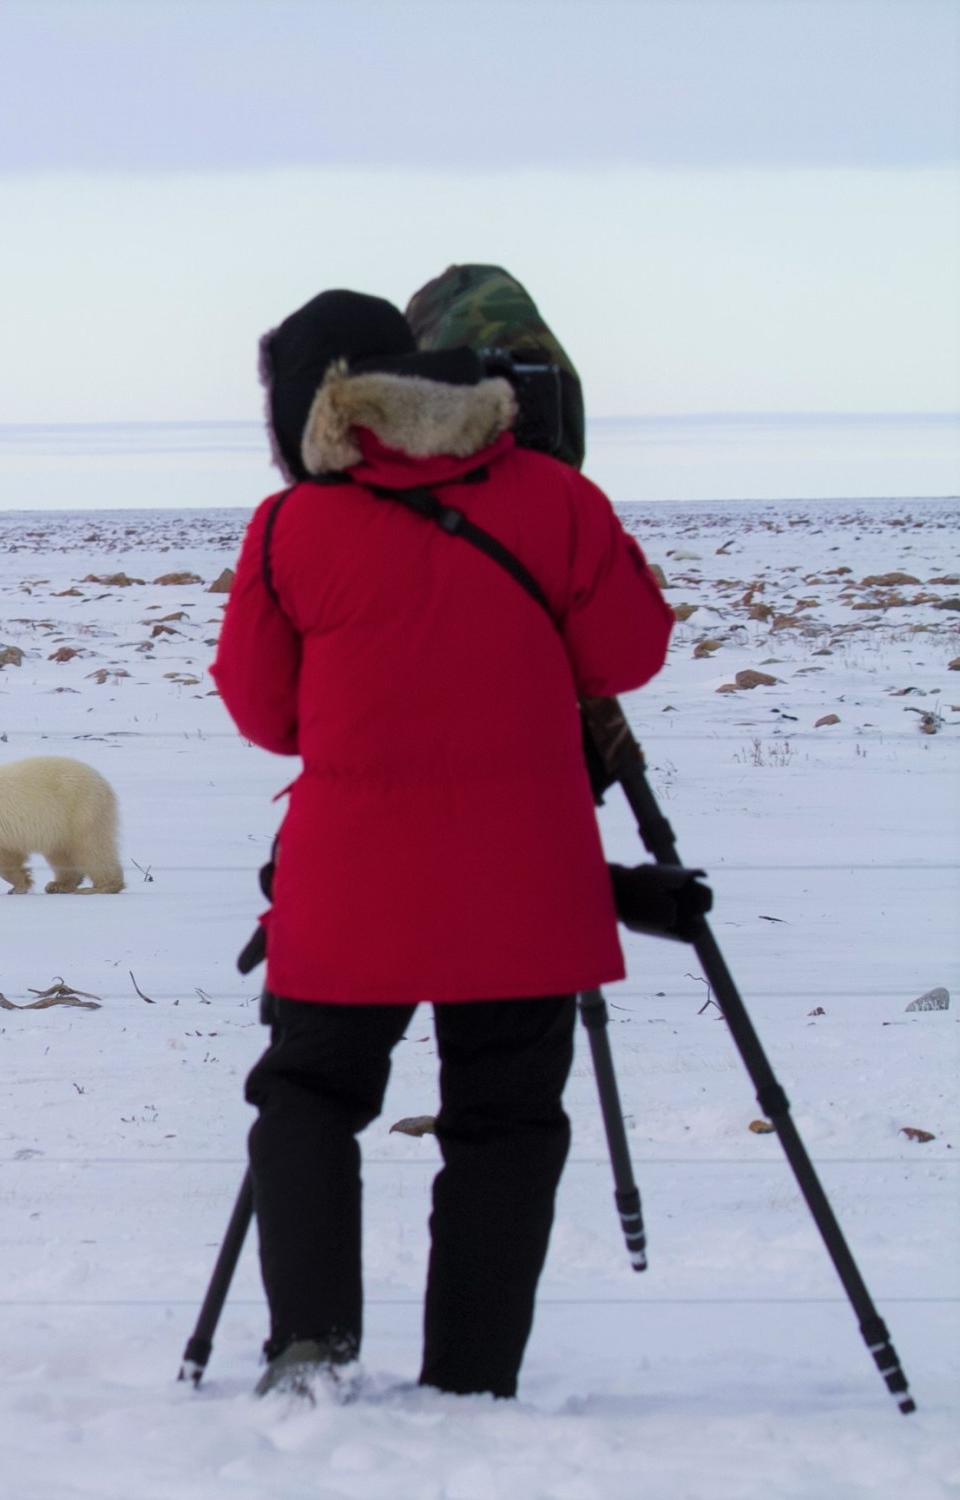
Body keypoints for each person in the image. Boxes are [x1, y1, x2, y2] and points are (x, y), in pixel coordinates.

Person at [209, 288, 674, 1400]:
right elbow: (630, 653)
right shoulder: (558, 499)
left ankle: (311, 1343)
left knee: (309, 1098)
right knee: (507, 1119)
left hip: (351, 883)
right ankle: (472, 1378)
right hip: (527, 882)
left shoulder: (289, 528)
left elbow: (264, 715)